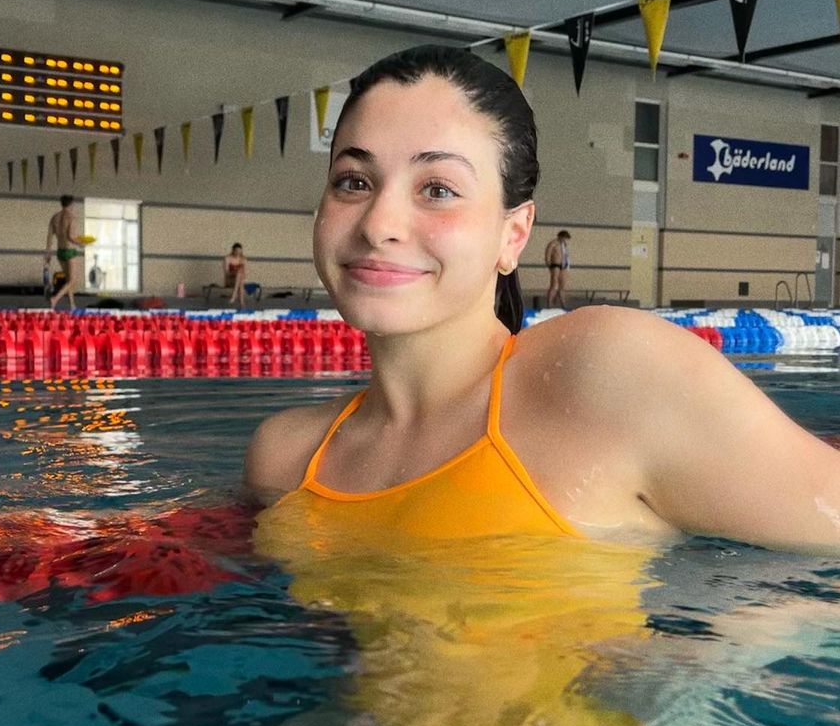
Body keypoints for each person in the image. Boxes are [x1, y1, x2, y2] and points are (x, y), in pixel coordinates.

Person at [244, 44, 840, 551]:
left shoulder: (605, 376)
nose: (379, 223)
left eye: (438, 189)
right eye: (354, 181)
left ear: (514, 234)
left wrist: (703, 666)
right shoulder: (284, 458)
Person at [45, 194, 81, 310]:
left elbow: (49, 238)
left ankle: (72, 305)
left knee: (68, 280)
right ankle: (55, 298)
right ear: (71, 204)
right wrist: (81, 242)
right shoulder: (71, 217)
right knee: (72, 280)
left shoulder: (54, 217)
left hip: (60, 252)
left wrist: (48, 253)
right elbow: (71, 236)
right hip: (70, 251)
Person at [544, 228, 571, 307]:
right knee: (554, 284)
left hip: (563, 265)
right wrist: (549, 264)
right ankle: (549, 304)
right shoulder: (553, 243)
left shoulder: (564, 246)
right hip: (555, 265)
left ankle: (563, 303)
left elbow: (566, 256)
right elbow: (548, 254)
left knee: (562, 285)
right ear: (560, 236)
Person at [223, 242, 246, 306]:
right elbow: (227, 273)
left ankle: (234, 296)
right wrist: (235, 273)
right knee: (239, 276)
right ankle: (241, 302)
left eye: (239, 251)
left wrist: (238, 275)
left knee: (240, 278)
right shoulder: (227, 258)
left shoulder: (243, 259)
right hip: (230, 280)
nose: (238, 253)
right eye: (236, 251)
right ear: (233, 250)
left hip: (239, 280)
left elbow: (244, 274)